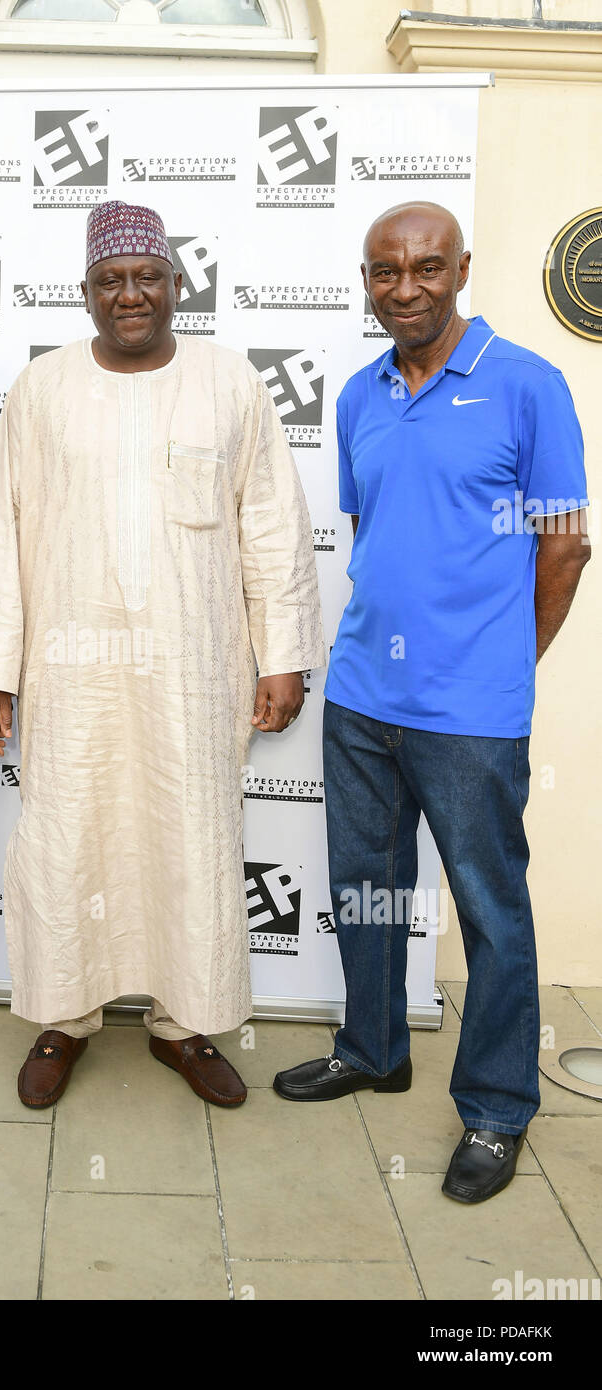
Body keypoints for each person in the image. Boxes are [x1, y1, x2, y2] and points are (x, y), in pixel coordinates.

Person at [0, 200, 325, 1110]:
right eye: (111, 280)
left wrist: (282, 655)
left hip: (193, 669)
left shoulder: (230, 383)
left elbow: (272, 524)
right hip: (70, 671)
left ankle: (184, 1025)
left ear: (176, 284)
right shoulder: (41, 389)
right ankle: (63, 1016)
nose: (131, 294)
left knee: (191, 837)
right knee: (68, 833)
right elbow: (1, 532)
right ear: (86, 293)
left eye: (147, 276)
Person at [273, 202, 591, 1204]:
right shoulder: (360, 396)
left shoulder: (527, 384)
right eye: (381, 272)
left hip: (470, 714)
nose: (401, 289)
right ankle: (372, 1048)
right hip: (363, 696)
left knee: (491, 911)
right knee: (367, 888)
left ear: (460, 267)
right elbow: (373, 535)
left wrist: (505, 663)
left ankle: (495, 1108)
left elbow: (565, 543)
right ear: (365, 280)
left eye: (422, 268)